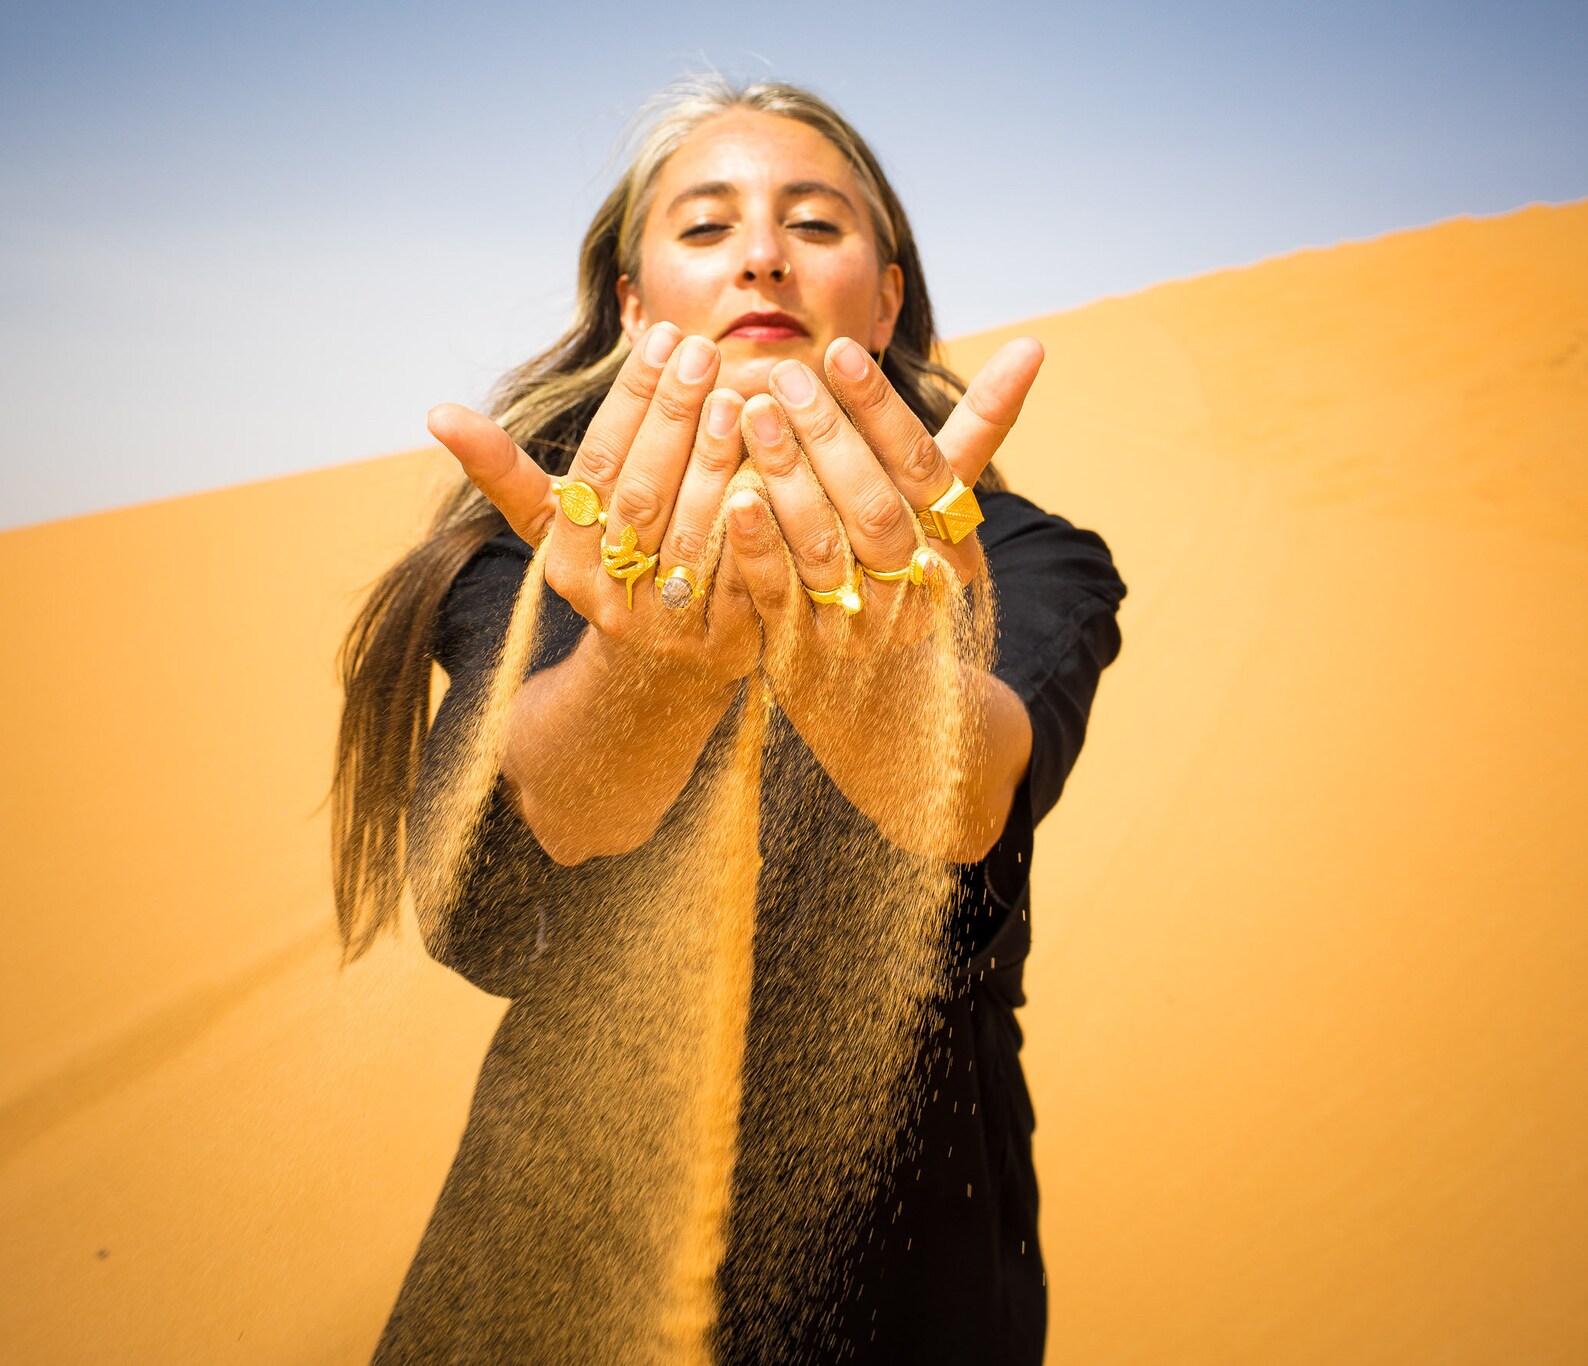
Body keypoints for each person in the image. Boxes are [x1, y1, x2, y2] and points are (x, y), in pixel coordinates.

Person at [334, 76, 1127, 1365]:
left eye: (814, 223)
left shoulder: (1026, 555)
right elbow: (522, 840)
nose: (763, 256)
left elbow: (970, 787)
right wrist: (643, 667)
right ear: (636, 306)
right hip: (549, 1250)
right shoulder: (536, 552)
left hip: (920, 1266)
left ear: (886, 300)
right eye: (706, 227)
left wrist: (871, 670)